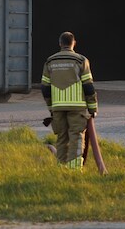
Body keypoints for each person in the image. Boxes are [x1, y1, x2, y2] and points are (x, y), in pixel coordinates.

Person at [42, 31, 97, 169]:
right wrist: (93, 108)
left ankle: (61, 168)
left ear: (60, 43)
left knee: (61, 137)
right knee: (76, 137)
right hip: (77, 107)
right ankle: (74, 169)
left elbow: (45, 88)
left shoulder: (50, 61)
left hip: (57, 107)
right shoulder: (81, 61)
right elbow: (88, 87)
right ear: (74, 43)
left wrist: (51, 107)